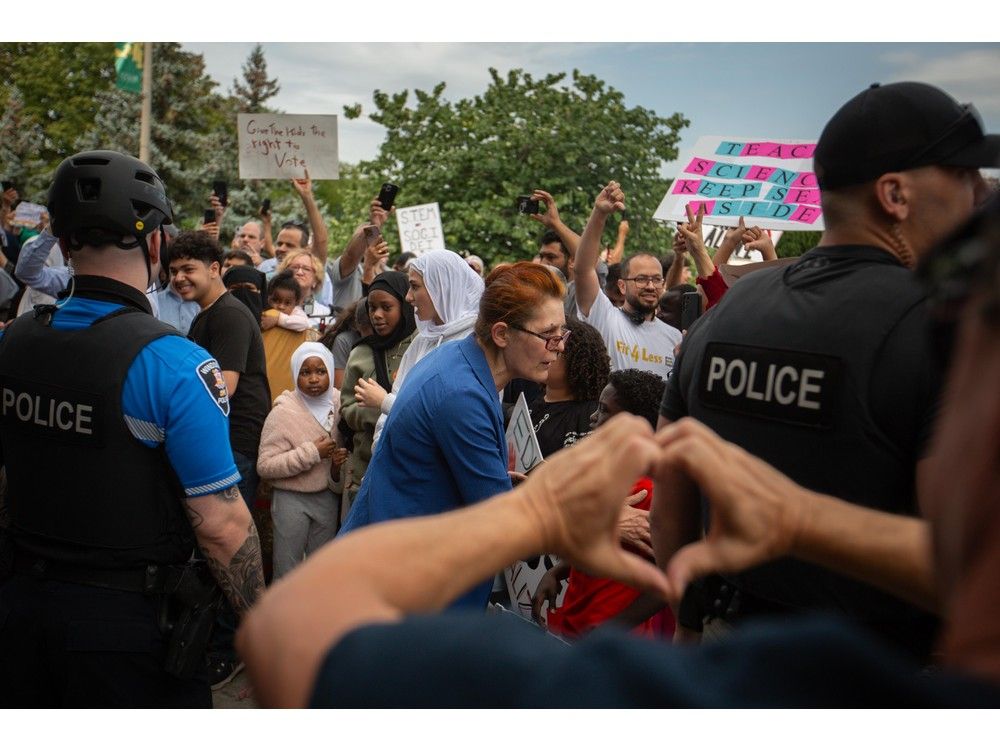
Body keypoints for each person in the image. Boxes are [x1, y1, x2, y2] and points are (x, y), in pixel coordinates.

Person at [236, 194, 1000, 707]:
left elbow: (294, 630)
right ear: (502, 333)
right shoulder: (466, 386)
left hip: (401, 580)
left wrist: (801, 520)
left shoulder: (772, 680)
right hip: (412, 593)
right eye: (552, 333)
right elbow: (489, 496)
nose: (566, 345)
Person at [656, 81, 996, 658]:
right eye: (962, 173)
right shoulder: (944, 326)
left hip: (729, 654)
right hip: (884, 676)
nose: (979, 190)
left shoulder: (727, 310)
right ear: (895, 194)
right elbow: (968, 561)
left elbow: (672, 506)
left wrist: (690, 622)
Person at [0, 150, 264, 707]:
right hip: (125, 636)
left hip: (20, 609)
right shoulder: (173, 362)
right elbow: (221, 526)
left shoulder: (15, 340)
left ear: (66, 243)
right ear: (155, 244)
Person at [339, 262, 567, 609]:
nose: (559, 347)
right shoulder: (461, 395)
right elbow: (503, 526)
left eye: (563, 334)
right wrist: (597, 516)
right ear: (502, 334)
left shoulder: (456, 357)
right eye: (549, 335)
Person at [169, 230, 271, 688]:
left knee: (231, 551)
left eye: (188, 269)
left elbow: (222, 390)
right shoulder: (204, 315)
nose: (178, 278)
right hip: (217, 442)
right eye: (173, 270)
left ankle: (234, 649)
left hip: (235, 446)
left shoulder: (229, 314)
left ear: (215, 270)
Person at [534, 368, 673, 640]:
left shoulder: (648, 492)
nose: (593, 417)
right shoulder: (606, 476)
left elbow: (668, 577)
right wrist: (558, 570)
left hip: (610, 642)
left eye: (605, 410)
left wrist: (614, 630)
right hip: (574, 625)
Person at [352, 249, 485, 448]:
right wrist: (381, 449)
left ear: (441, 287)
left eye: (415, 286)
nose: (408, 297)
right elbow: (398, 397)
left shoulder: (475, 345)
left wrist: (385, 402)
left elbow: (446, 420)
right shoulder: (423, 340)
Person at [257, 342, 348, 579]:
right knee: (287, 570)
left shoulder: (340, 405)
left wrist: (337, 466)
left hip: (327, 499)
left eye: (321, 371)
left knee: (321, 569)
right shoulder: (282, 413)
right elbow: (265, 466)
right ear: (295, 373)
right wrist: (311, 453)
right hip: (291, 500)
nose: (314, 379)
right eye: (305, 372)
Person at [574, 182, 682, 378]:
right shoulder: (605, 317)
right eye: (641, 279)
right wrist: (599, 214)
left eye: (657, 279)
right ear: (622, 286)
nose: (650, 286)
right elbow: (583, 269)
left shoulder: (674, 338)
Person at [338, 271, 417, 505]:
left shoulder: (420, 347)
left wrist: (383, 403)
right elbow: (347, 408)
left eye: (386, 307)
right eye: (372, 308)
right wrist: (374, 410)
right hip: (365, 467)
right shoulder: (360, 353)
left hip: (407, 466)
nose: (377, 315)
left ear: (404, 306)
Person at [527, 317, 609, 458]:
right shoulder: (535, 401)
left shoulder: (589, 416)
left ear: (578, 364)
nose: (547, 354)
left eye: (557, 352)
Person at [277, 249, 331, 322]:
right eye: (295, 267)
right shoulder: (271, 304)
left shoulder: (325, 315)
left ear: (315, 280)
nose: (299, 272)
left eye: (306, 269)